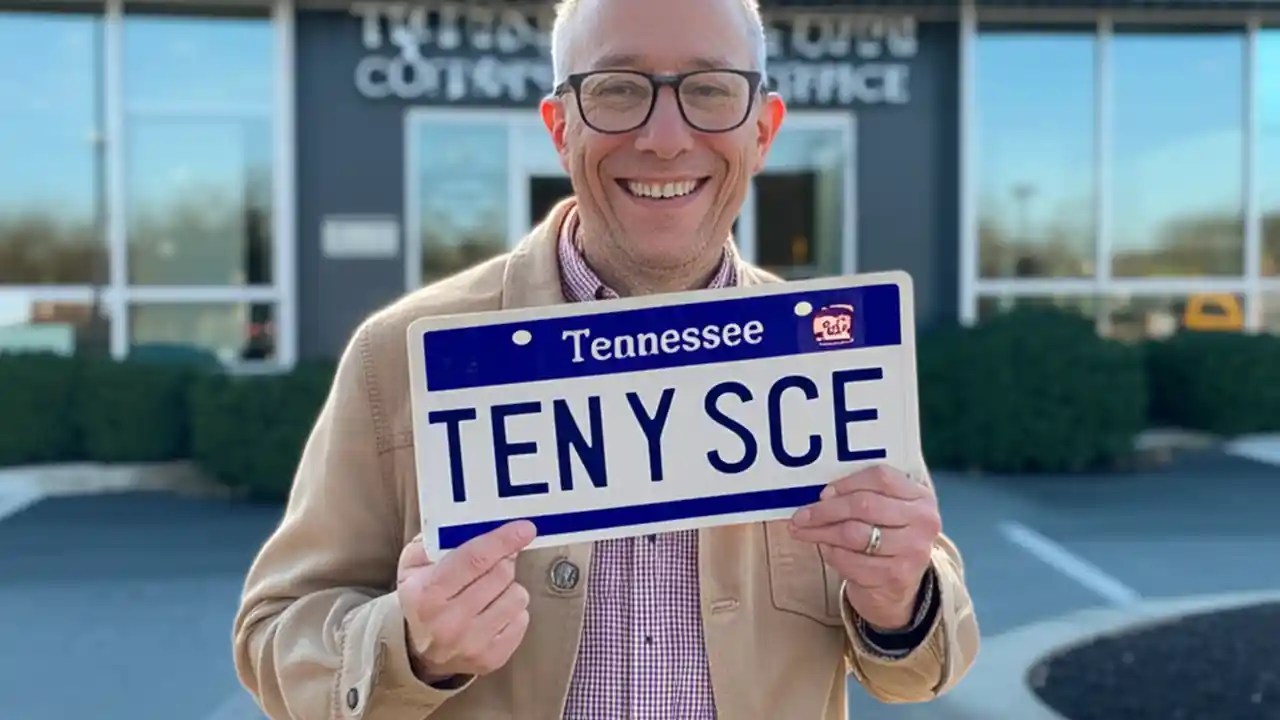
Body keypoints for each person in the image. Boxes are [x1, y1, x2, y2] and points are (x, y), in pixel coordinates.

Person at [231, 0, 980, 717]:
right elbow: (273, 633)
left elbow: (921, 662)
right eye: (617, 90)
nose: (663, 137)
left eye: (711, 90)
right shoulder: (398, 359)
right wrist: (408, 644)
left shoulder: (831, 352)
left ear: (763, 131)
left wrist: (900, 601)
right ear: (559, 127)